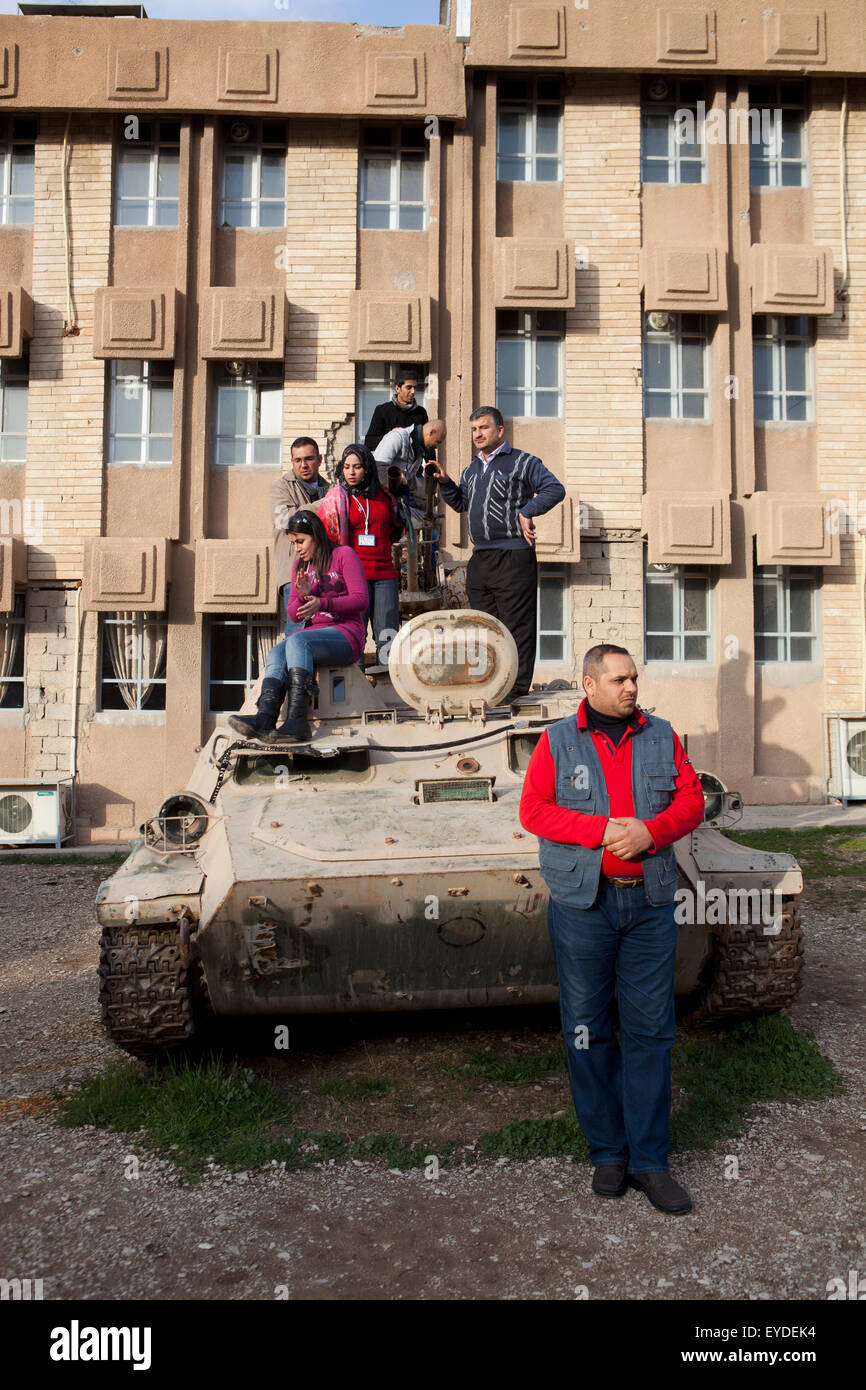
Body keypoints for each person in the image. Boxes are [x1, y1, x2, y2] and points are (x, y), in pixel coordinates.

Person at [518, 644, 705, 1215]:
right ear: (589, 684)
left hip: (649, 904)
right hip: (584, 905)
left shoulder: (661, 734)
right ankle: (608, 1152)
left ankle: (650, 1161)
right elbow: (534, 810)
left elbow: (692, 801)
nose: (631, 688)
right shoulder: (557, 740)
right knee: (587, 1029)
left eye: (634, 678)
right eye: (619, 679)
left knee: (652, 1031)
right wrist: (601, 831)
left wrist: (652, 834)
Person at [432, 406, 565, 701]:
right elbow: (461, 503)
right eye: (474, 429)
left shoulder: (522, 462)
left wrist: (528, 511)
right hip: (481, 558)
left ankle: (515, 691)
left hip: (514, 556)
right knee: (485, 627)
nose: (478, 434)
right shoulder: (471, 469)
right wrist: (444, 481)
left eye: (484, 428)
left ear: (500, 431)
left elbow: (554, 489)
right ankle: (491, 685)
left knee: (517, 626)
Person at [228, 510, 368, 743]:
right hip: (311, 638)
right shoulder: (300, 566)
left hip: (347, 634)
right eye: (293, 543)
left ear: (316, 535)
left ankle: (297, 721)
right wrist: (304, 594)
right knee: (277, 650)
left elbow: (361, 599)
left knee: (296, 641)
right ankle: (265, 718)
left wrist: (322, 602)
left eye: (301, 541)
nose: (297, 548)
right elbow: (293, 613)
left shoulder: (343, 555)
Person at [319, 444, 404, 667]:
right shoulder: (336, 498)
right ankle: (355, 687)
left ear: (367, 468)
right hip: (353, 577)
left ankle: (387, 682)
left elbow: (395, 529)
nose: (351, 472)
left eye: (357, 466)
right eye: (346, 467)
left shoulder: (384, 495)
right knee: (354, 632)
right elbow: (326, 537)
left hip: (385, 572)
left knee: (388, 633)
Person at [269, 437, 330, 636]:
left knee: (323, 630)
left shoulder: (329, 489)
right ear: (292, 461)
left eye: (309, 459)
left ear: (320, 459)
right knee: (298, 631)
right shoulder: (280, 487)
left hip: (325, 572)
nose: (303, 465)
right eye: (298, 460)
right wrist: (324, 504)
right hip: (294, 574)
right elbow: (284, 521)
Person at [364, 366, 428, 453]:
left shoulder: (421, 412)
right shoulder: (382, 410)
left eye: (415, 387)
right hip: (389, 464)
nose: (413, 391)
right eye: (409, 387)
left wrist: (432, 465)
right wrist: (393, 437)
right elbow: (369, 442)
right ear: (397, 388)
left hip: (414, 465)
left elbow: (428, 444)